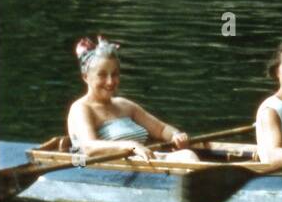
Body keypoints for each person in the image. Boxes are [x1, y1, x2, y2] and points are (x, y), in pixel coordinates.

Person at [66, 36, 199, 162]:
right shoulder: (81, 108)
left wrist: (176, 135)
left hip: (145, 162)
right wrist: (130, 145)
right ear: (85, 77)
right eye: (102, 75)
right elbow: (88, 148)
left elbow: (162, 129)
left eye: (115, 74)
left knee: (188, 155)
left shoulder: (125, 105)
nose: (110, 81)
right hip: (110, 168)